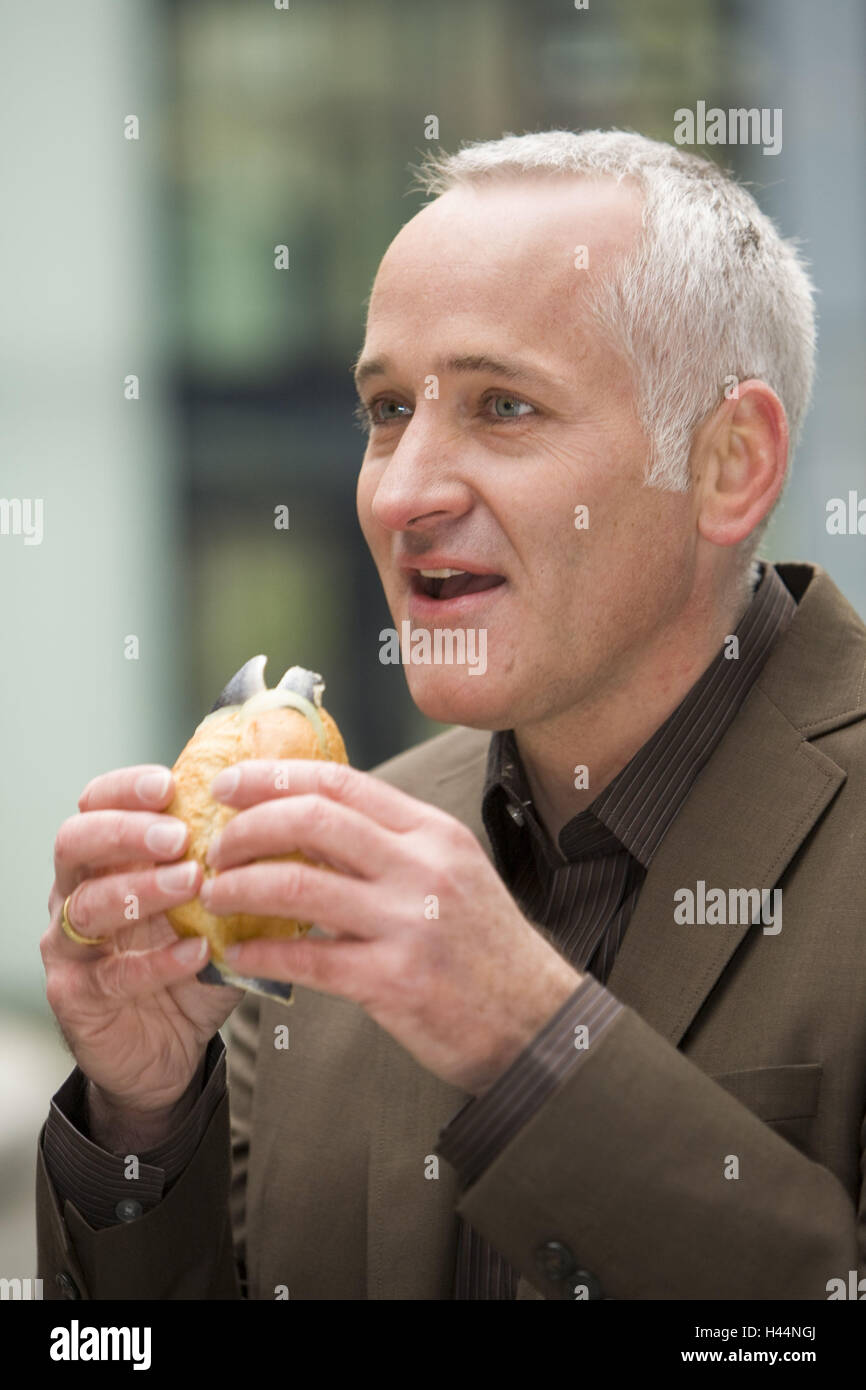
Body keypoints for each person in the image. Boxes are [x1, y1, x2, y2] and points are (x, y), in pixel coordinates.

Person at [37, 129, 866, 1301]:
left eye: (503, 406)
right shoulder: (336, 865)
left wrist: (534, 1042)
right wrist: (144, 1117)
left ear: (728, 464)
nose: (401, 490)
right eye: (385, 409)